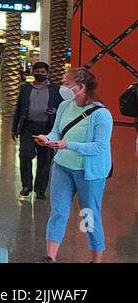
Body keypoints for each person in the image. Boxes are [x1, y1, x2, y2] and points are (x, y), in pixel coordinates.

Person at [37, 67, 113, 263]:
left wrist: (67, 144)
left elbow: (99, 147)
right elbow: (57, 132)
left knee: (88, 215)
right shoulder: (65, 106)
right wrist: (48, 138)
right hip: (63, 166)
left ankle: (96, 258)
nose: (63, 87)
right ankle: (50, 258)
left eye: (66, 83)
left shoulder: (101, 115)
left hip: (89, 172)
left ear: (80, 87)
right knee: (58, 211)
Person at [13, 61, 64, 199]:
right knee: (25, 154)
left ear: (48, 74)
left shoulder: (55, 90)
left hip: (47, 129)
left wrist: (55, 110)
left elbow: (64, 107)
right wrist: (14, 128)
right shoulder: (25, 88)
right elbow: (18, 108)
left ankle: (40, 189)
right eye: (37, 72)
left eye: (43, 72)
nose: (39, 74)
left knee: (45, 159)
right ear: (33, 72)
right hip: (28, 128)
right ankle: (26, 185)